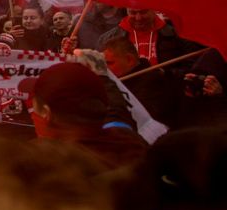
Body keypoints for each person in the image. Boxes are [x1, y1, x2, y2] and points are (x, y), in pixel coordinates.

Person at [18, 62, 147, 168]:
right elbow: (117, 112)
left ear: (47, 113)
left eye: (34, 106)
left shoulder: (42, 167)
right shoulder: (135, 146)